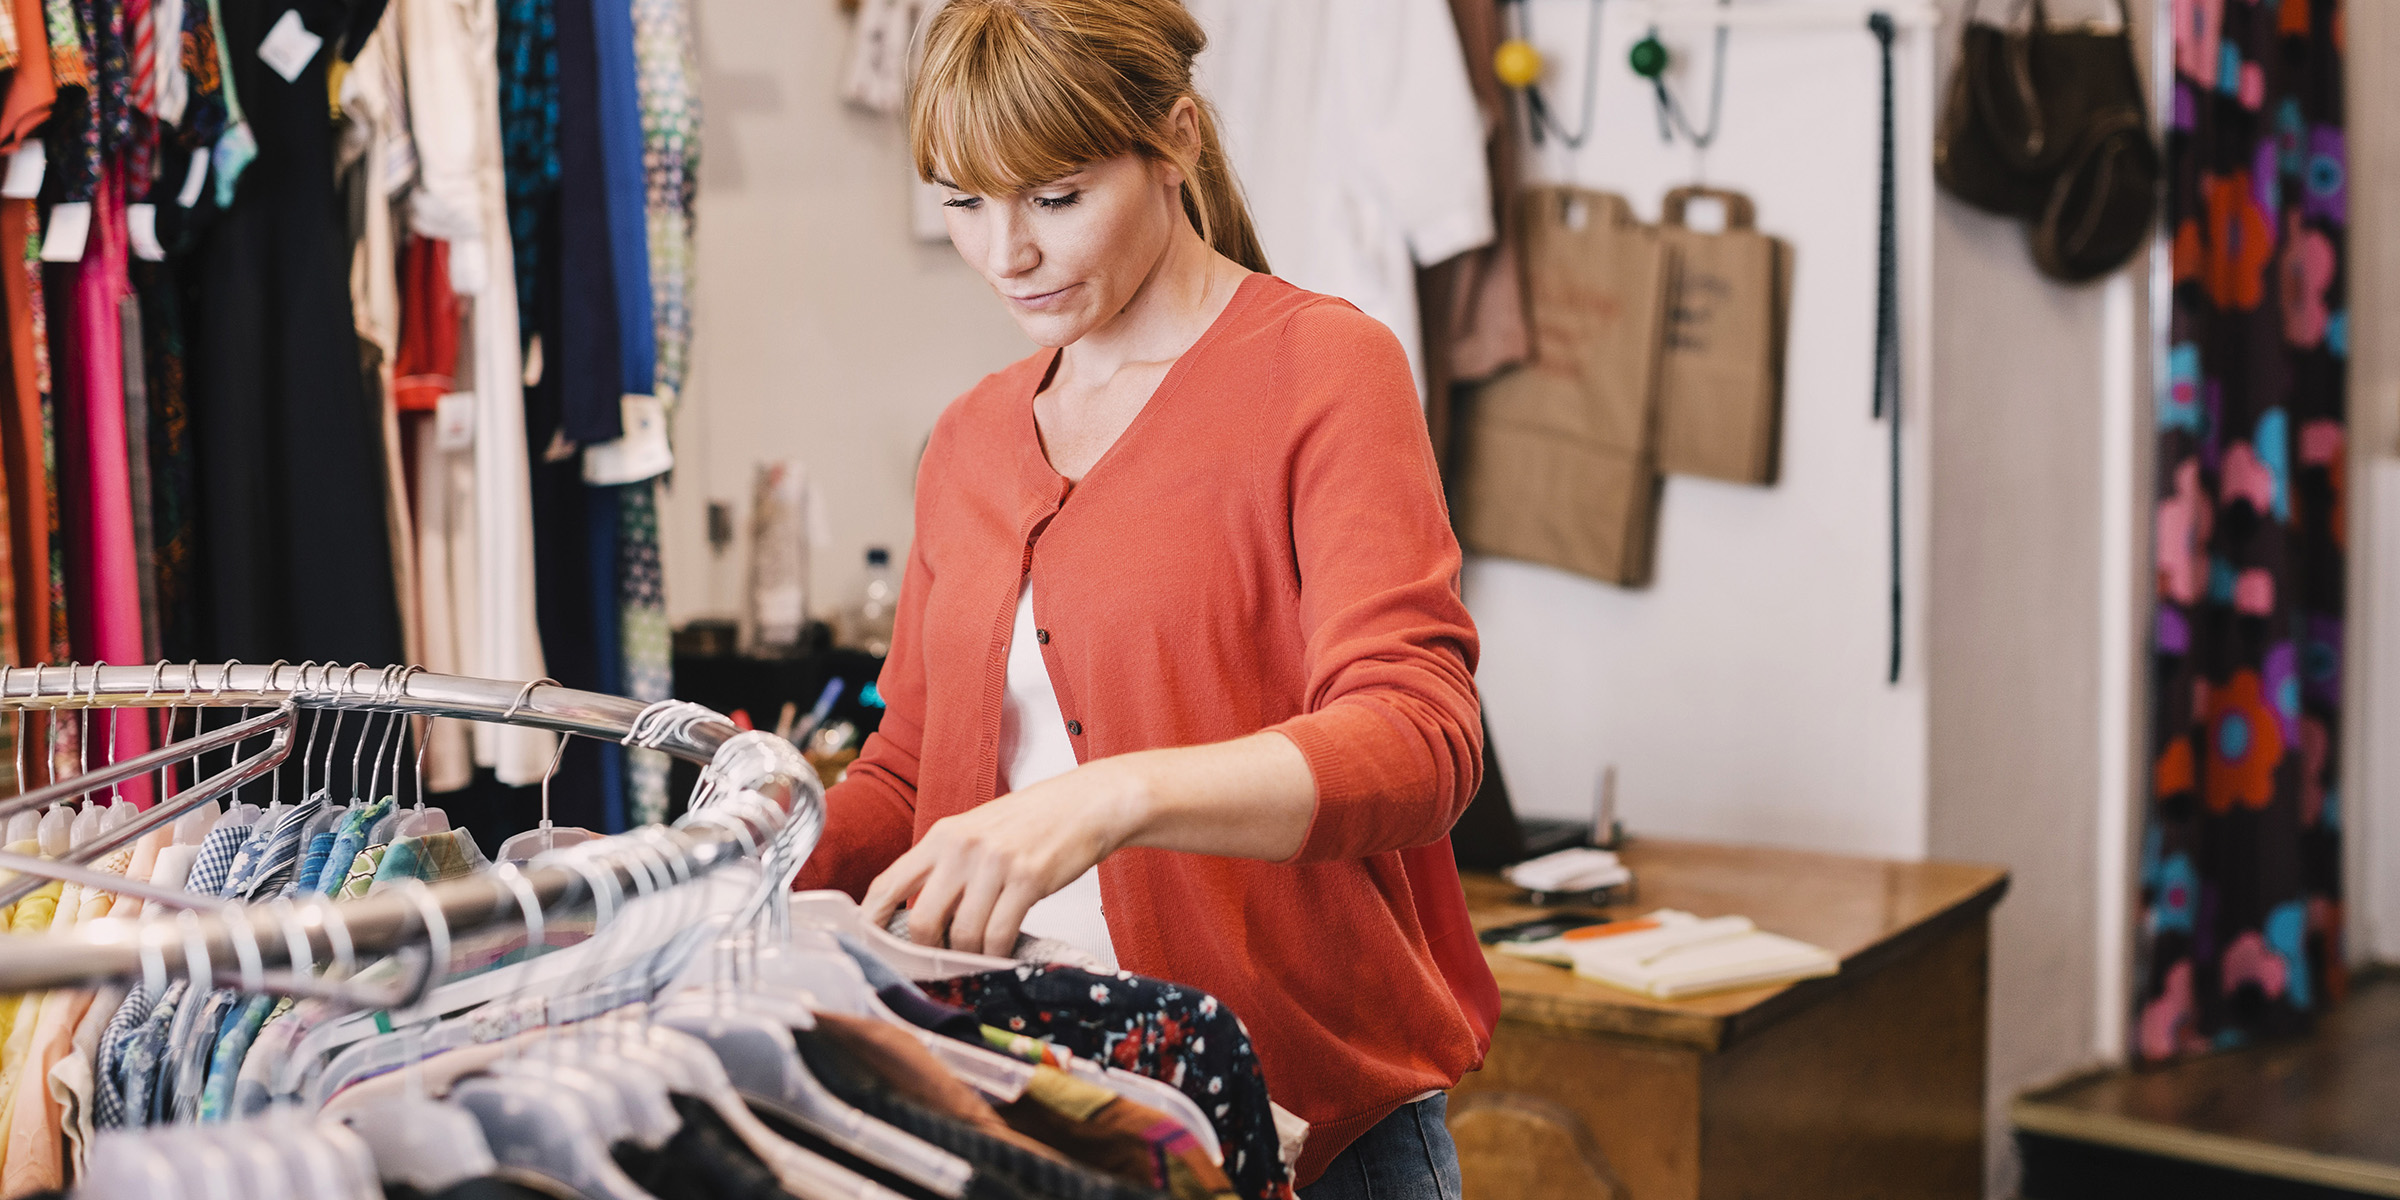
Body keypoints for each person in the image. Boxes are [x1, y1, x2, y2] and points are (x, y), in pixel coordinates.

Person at [795, 1, 1498, 1194]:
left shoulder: (1322, 369)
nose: (1005, 252)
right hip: (1042, 1110)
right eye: (965, 202)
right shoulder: (970, 440)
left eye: (1054, 198)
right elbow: (912, 776)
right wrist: (713, 865)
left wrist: (1108, 799)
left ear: (1172, 139)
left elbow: (1421, 741)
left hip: (1312, 1127)